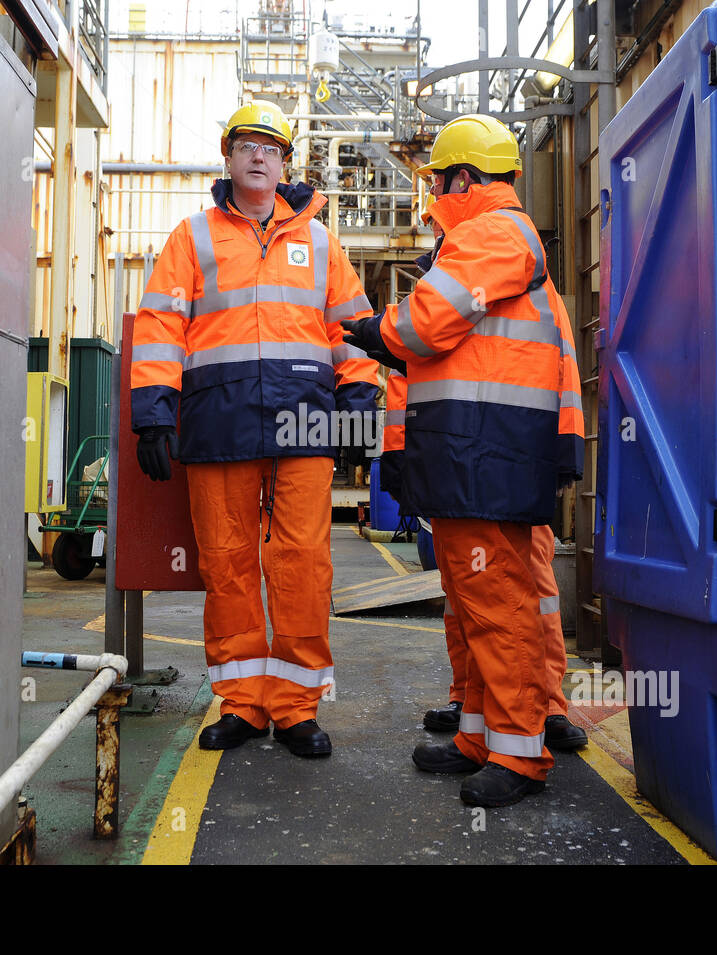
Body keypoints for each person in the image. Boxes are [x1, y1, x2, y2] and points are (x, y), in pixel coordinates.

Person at [345, 114, 584, 806]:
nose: (432, 200)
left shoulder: (490, 233)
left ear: (463, 178)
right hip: (476, 451)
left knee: (498, 606)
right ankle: (482, 736)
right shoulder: (497, 239)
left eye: (439, 183)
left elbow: (426, 322)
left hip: (488, 451)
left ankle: (519, 754)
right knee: (474, 605)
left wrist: (375, 331)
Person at [130, 100, 378, 757]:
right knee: (228, 564)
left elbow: (351, 325)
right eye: (248, 144)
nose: (260, 155)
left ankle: (295, 707)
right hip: (219, 418)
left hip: (303, 421)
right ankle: (243, 703)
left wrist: (360, 396)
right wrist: (153, 410)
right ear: (229, 156)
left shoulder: (322, 243)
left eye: (272, 146)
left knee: (301, 563)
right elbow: (160, 324)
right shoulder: (194, 238)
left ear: (286, 162)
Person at [383, 370, 586, 749]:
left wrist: (565, 447)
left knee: (535, 590)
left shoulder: (533, 307)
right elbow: (404, 374)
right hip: (452, 459)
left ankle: (546, 703)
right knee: (462, 592)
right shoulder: (430, 309)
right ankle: (469, 699)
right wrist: (398, 455)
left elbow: (561, 366)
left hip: (513, 455)